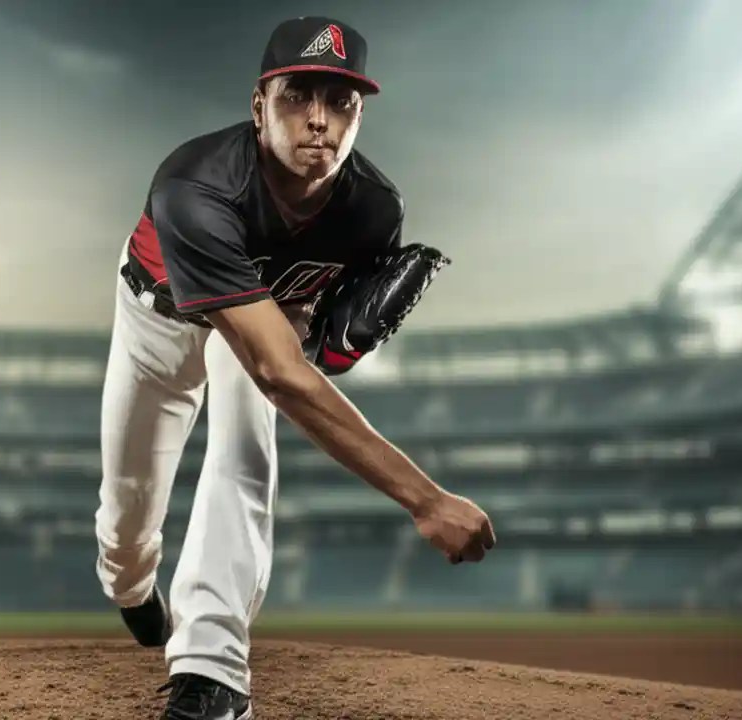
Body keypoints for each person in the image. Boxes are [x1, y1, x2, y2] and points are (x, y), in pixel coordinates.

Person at [94, 16, 495, 720]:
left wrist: (339, 346)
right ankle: (129, 585)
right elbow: (283, 372)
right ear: (258, 106)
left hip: (268, 321)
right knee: (128, 508)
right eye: (298, 95)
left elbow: (313, 356)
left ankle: (211, 673)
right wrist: (427, 500)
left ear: (360, 114)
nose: (319, 119)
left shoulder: (375, 210)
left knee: (247, 445)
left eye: (341, 102)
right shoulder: (194, 183)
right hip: (157, 321)